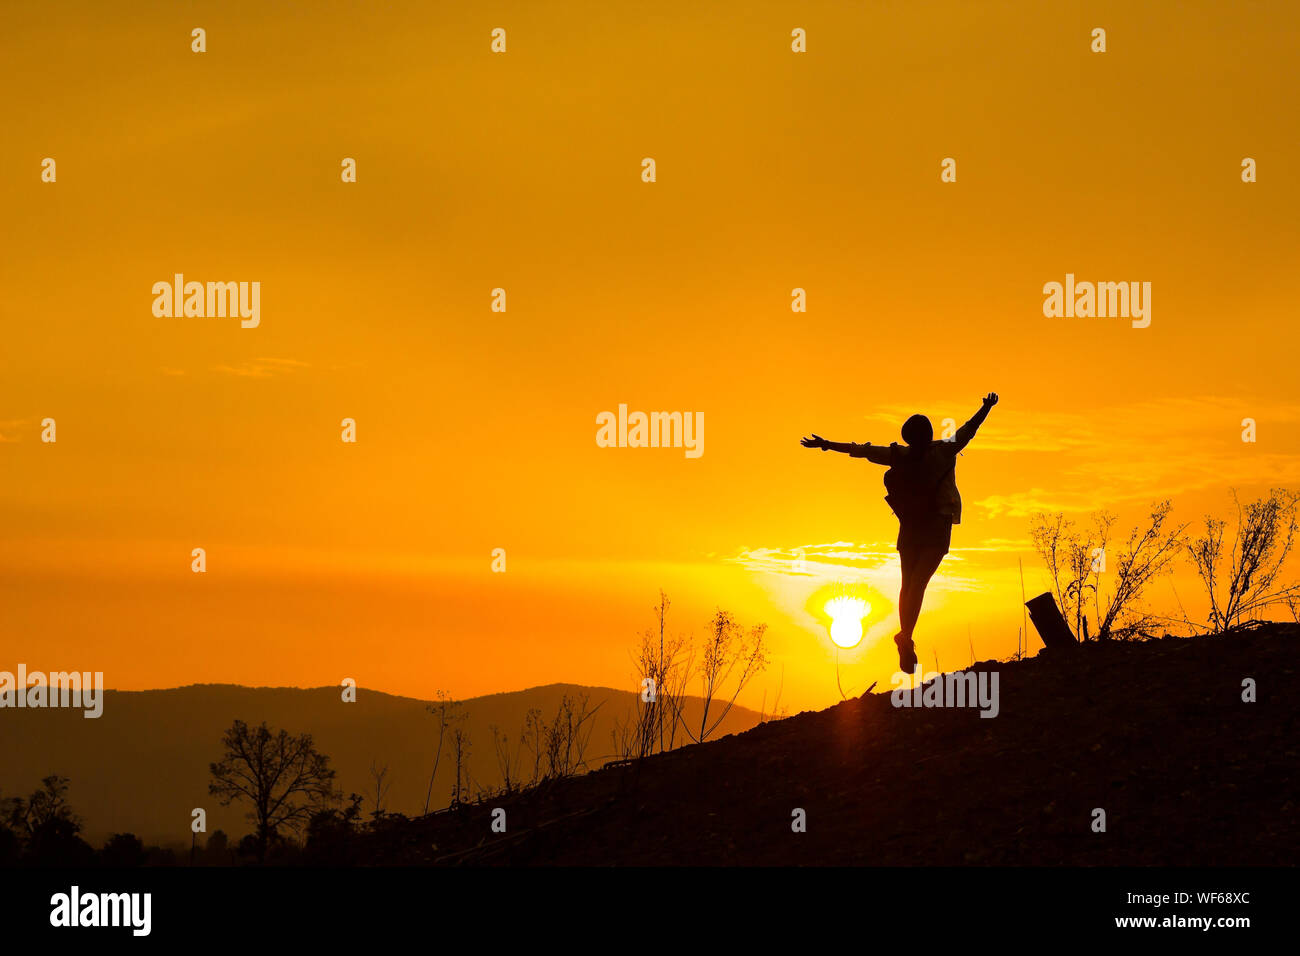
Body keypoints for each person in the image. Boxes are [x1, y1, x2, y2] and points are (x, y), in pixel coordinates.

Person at [801, 393, 999, 673]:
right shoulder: (943, 451)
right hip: (937, 524)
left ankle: (906, 636)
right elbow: (969, 429)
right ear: (928, 433)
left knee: (907, 584)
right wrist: (986, 407)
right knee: (918, 584)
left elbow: (862, 450)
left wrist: (827, 445)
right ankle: (905, 636)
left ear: (906, 436)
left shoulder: (898, 455)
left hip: (910, 527)